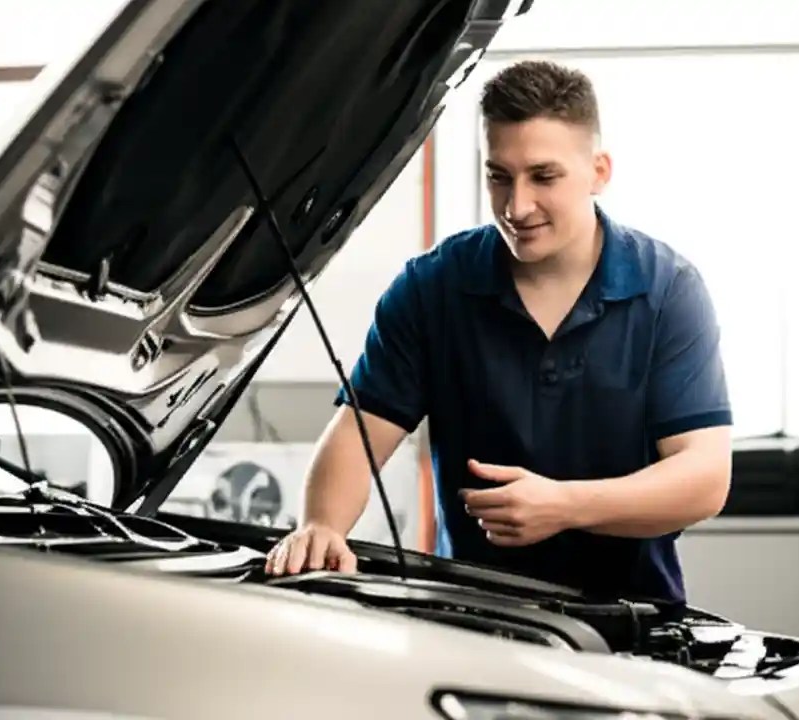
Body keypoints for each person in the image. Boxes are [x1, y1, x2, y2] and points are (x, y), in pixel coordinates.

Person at [263, 60, 733, 605]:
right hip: (473, 620)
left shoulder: (669, 290)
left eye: (543, 176)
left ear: (599, 171)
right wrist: (322, 524)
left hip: (633, 622)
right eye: (498, 176)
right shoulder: (432, 288)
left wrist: (563, 506)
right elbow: (357, 434)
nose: (517, 206)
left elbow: (704, 477)